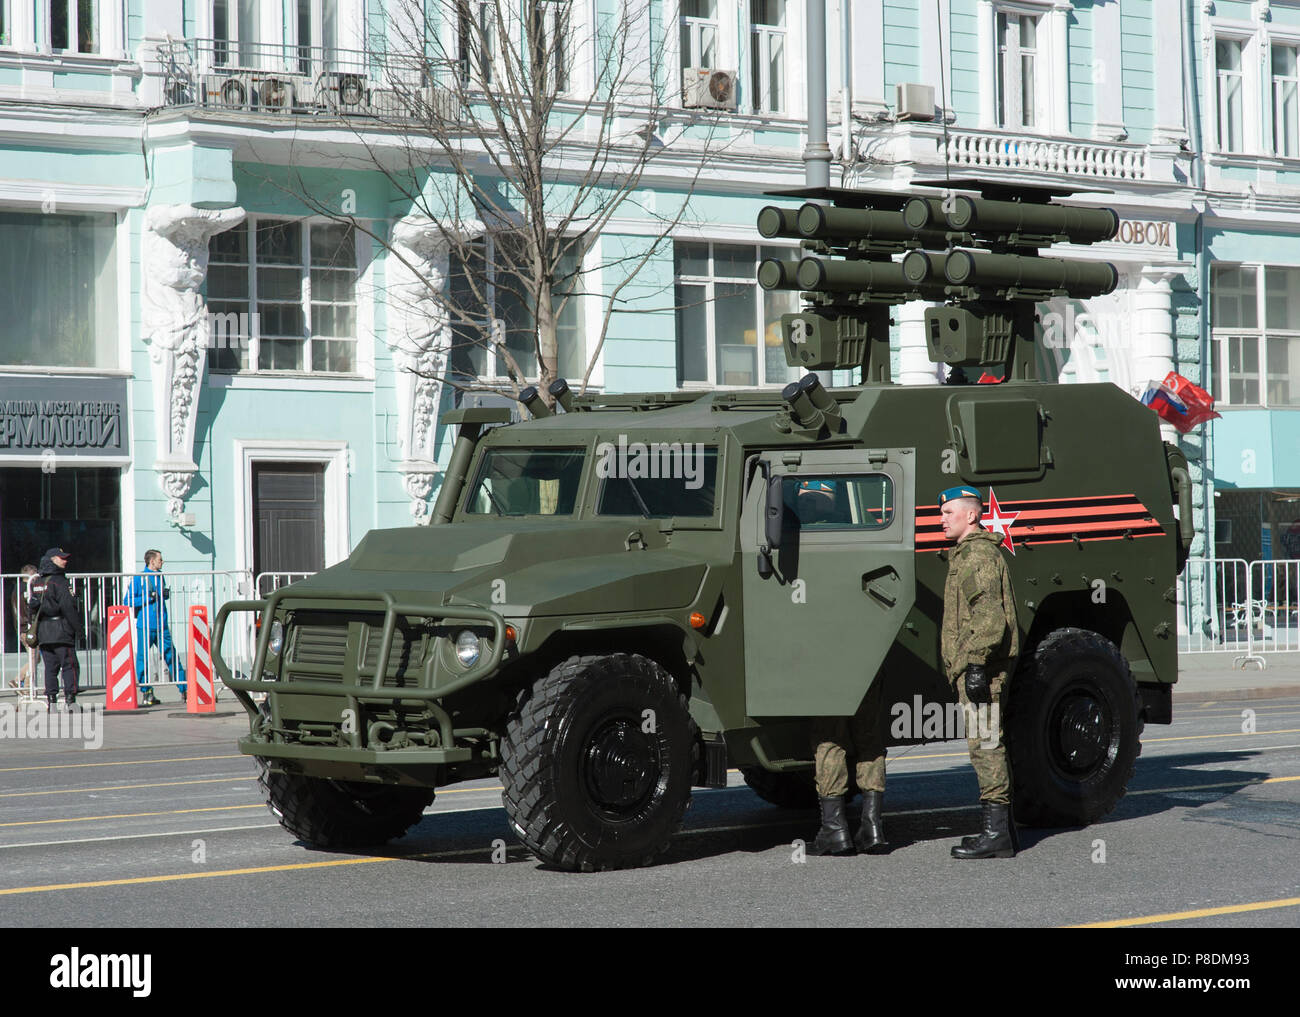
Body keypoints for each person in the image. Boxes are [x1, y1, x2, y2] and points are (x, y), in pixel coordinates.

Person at [938, 486, 1020, 859]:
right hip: (979, 664)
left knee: (985, 746)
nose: (942, 519)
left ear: (971, 515)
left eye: (949, 512)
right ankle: (1002, 832)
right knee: (987, 744)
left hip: (983, 667)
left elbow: (990, 616)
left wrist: (973, 663)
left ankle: (996, 835)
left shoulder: (977, 556)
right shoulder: (966, 554)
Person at [808, 678, 890, 855]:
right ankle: (872, 826)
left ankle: (834, 829)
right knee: (869, 737)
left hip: (831, 668)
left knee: (830, 737)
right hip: (869, 664)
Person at [123, 550, 186, 707]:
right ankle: (147, 692)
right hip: (145, 625)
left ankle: (185, 689)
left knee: (172, 656)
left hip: (161, 625)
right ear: (151, 561)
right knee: (143, 659)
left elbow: (158, 596)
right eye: (160, 559)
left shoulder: (160, 576)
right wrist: (147, 597)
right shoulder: (139, 578)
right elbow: (127, 600)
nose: (162, 562)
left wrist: (163, 594)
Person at [27, 548, 83, 709]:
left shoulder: (37, 582)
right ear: (52, 560)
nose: (65, 561)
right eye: (61, 558)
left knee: (50, 668)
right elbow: (68, 607)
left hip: (44, 631)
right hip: (61, 630)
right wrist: (78, 629)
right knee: (69, 665)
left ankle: (51, 701)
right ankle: (70, 700)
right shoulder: (60, 582)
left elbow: (32, 607)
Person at [9, 564, 39, 690]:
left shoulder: (18, 589)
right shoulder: (26, 589)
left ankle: (24, 684)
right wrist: (28, 627)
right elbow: (26, 610)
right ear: (30, 574)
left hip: (23, 627)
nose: (38, 576)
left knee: (35, 657)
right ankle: (22, 683)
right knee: (34, 657)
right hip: (27, 628)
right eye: (36, 572)